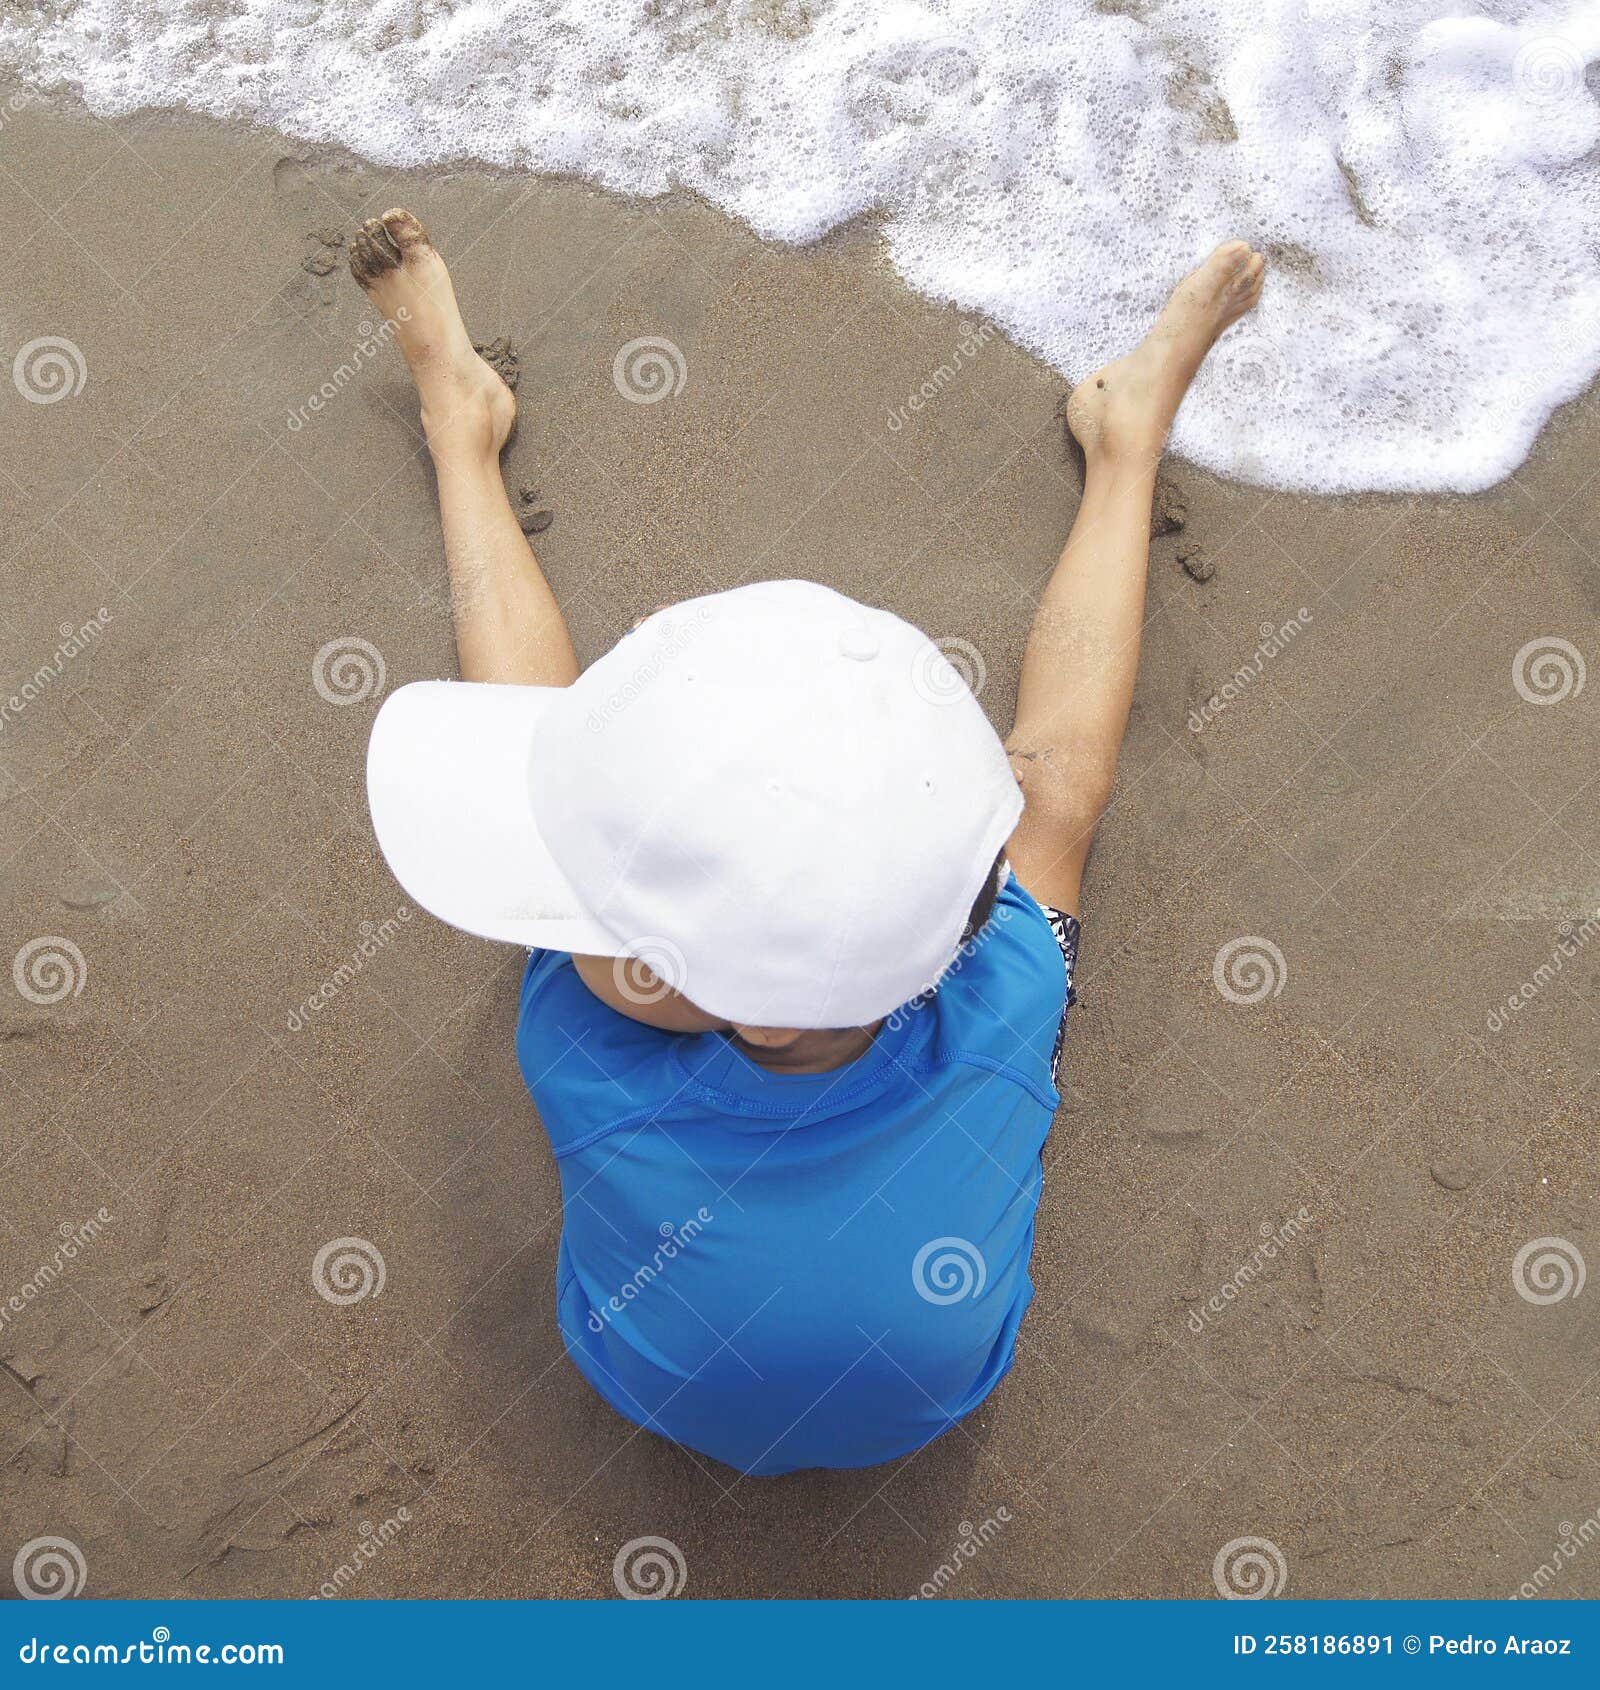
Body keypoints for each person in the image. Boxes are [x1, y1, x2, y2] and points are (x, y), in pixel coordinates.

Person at [353, 211, 1265, 1475]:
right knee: (1057, 798)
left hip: (641, 1380)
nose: (602, 942)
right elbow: (1063, 781)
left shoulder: (583, 1051)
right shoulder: (1004, 992)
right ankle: (1126, 449)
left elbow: (543, 778)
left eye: (635, 948)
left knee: (546, 780)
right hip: (933, 1396)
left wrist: (597, 915)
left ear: (756, 1013)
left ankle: (464, 436)